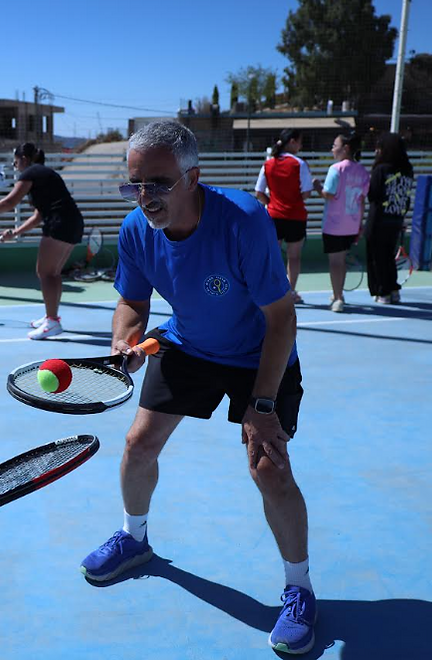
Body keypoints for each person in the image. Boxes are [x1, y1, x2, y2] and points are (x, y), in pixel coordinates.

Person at [79, 122, 316, 654]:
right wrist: (124, 338)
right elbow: (132, 303)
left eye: (158, 184)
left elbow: (282, 320)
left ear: (194, 177)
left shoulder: (244, 221)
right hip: (186, 344)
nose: (145, 198)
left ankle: (299, 589)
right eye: (135, 184)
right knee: (139, 444)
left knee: (268, 468)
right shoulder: (136, 229)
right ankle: (134, 539)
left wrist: (260, 404)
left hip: (260, 354)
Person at [0, 143, 84, 339]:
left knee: (45, 272)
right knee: (52, 273)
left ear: (23, 158)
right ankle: (51, 317)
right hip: (73, 223)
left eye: (15, 163)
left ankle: (52, 321)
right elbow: (39, 215)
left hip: (60, 223)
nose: (16, 167)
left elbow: (10, 201)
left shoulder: (32, 172)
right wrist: (16, 232)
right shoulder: (43, 174)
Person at [254, 129, 317, 304]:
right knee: (294, 257)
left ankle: (270, 291)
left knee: (272, 257)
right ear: (291, 142)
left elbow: (259, 192)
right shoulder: (300, 164)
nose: (301, 145)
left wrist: (272, 202)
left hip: (274, 216)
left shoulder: (268, 164)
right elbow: (306, 193)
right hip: (296, 217)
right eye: (299, 141)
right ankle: (290, 292)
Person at [320, 132, 370, 312]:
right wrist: (360, 224)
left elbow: (329, 194)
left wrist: (318, 187)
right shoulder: (363, 171)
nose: (332, 149)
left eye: (335, 145)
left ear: (346, 148)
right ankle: (337, 293)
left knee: (335, 262)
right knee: (341, 261)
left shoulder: (336, 169)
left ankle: (338, 298)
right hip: (351, 224)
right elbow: (362, 200)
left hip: (334, 225)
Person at [366, 132, 414, 304]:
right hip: (396, 220)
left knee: (376, 257)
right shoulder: (408, 170)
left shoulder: (380, 169)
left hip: (378, 220)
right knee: (388, 255)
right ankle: (393, 289)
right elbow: (406, 197)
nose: (376, 151)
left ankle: (383, 292)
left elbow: (373, 195)